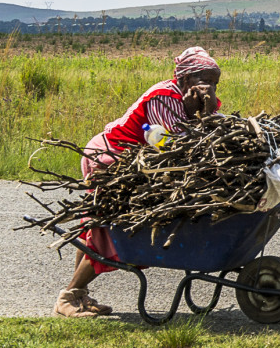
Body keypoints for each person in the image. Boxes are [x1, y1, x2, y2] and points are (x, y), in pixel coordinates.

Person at [54, 46, 223, 318]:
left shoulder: (202, 101)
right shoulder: (164, 96)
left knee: (97, 225)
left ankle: (78, 295)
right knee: (110, 229)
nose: (209, 87)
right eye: (203, 80)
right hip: (110, 158)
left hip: (134, 162)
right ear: (184, 79)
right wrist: (196, 114)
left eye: (214, 82)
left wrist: (203, 112)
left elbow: (212, 135)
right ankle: (68, 296)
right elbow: (174, 146)